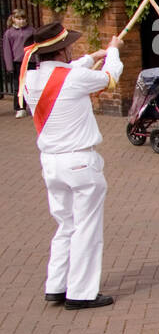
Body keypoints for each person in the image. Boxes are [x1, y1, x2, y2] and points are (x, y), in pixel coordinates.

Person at [21, 22, 124, 309]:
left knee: (66, 225)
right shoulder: (74, 78)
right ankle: (81, 292)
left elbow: (73, 69)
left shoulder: (30, 78)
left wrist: (97, 53)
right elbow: (111, 77)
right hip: (79, 162)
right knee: (86, 228)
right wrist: (113, 53)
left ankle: (56, 285)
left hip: (51, 164)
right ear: (62, 50)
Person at [4, 10, 34, 116]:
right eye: (18, 18)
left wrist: (38, 62)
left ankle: (34, 106)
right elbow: (7, 50)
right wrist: (9, 66)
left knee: (32, 85)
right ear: (13, 19)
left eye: (23, 18)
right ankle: (20, 108)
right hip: (18, 62)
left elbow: (37, 47)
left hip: (31, 61)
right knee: (19, 86)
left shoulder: (31, 31)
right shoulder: (9, 33)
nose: (21, 21)